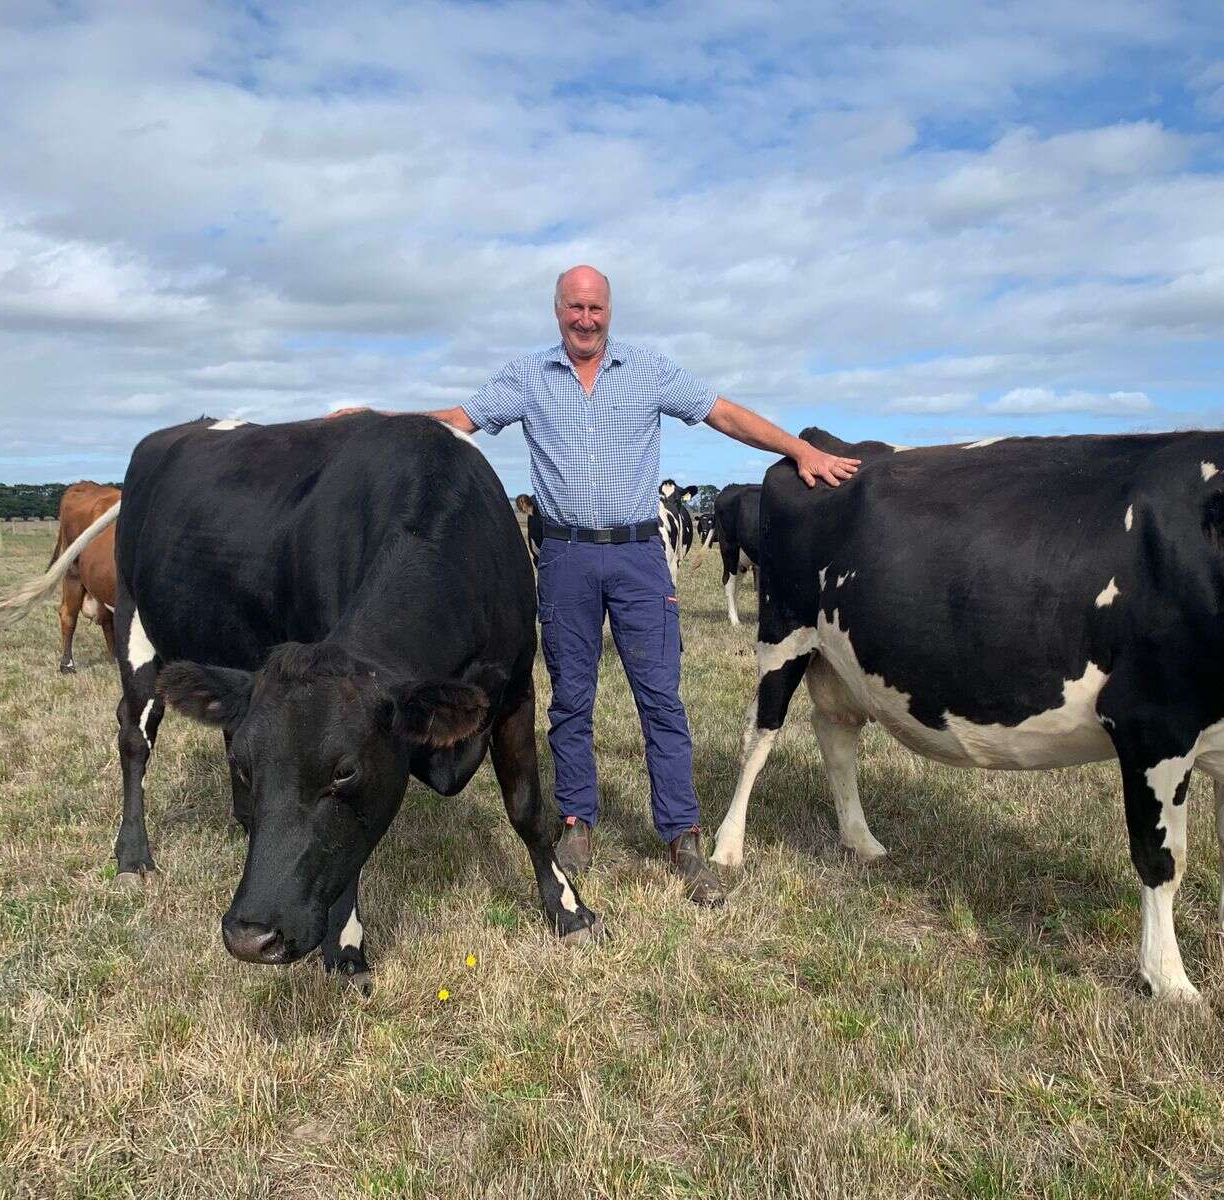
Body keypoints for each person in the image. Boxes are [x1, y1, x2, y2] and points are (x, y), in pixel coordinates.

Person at [330, 266, 859, 904]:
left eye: (596, 308)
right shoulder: (528, 376)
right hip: (564, 559)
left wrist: (798, 450)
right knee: (570, 701)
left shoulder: (649, 369)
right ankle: (577, 821)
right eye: (576, 307)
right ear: (558, 310)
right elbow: (456, 421)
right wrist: (373, 422)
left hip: (638, 556)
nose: (587, 318)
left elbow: (723, 415)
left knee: (661, 700)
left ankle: (680, 835)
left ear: (610, 311)